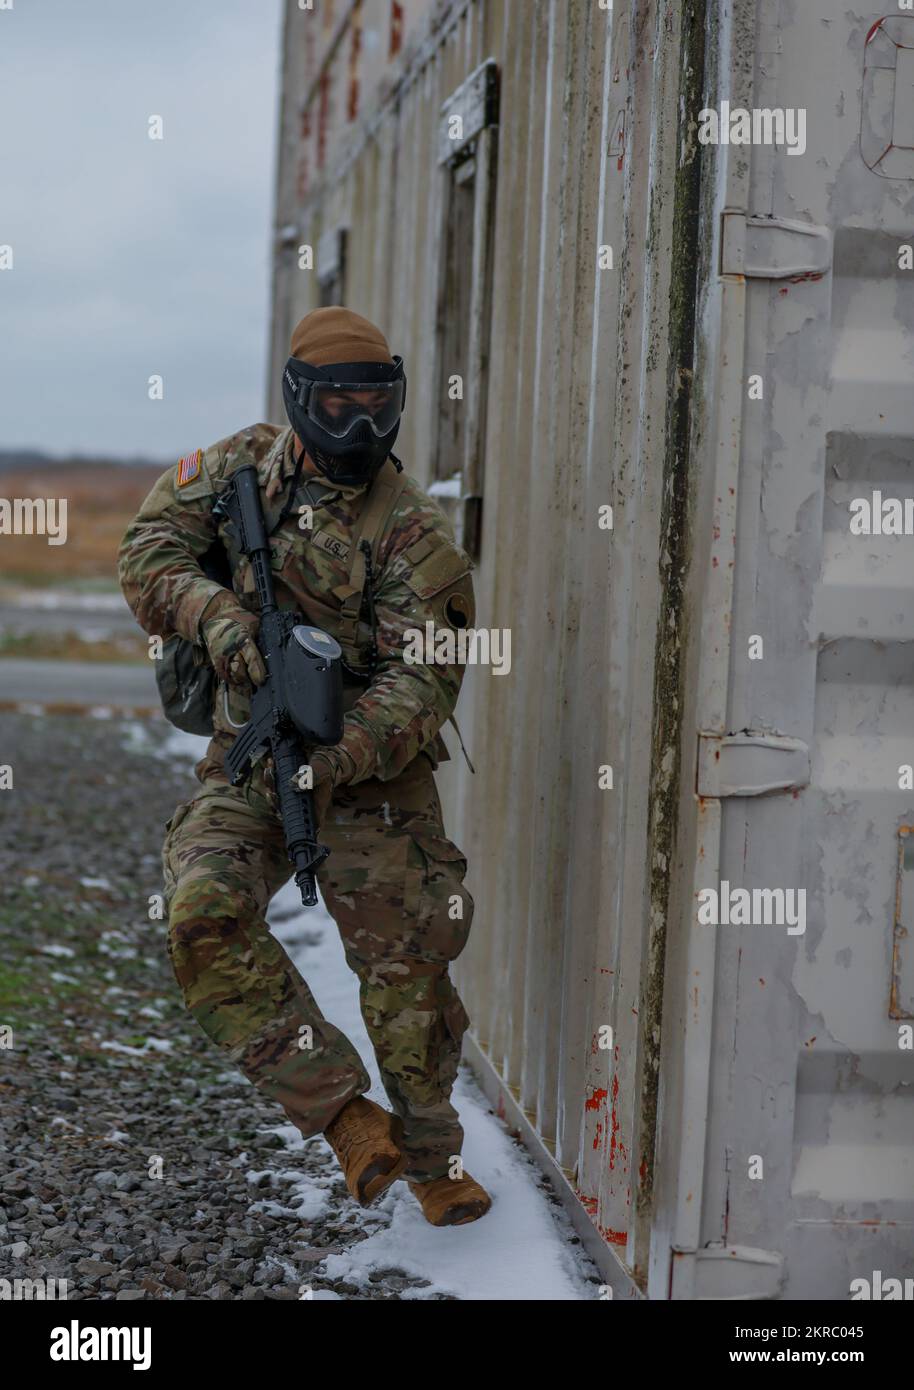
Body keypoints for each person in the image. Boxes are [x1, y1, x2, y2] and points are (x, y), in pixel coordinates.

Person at [118, 306, 491, 1227]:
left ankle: (434, 1159)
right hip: (250, 759)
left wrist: (340, 758)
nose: (360, 426)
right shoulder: (237, 471)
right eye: (340, 404)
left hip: (372, 778)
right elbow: (147, 552)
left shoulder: (415, 534)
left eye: (377, 404)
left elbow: (425, 681)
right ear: (300, 401)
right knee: (201, 913)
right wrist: (216, 615)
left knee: (408, 969)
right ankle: (344, 1114)